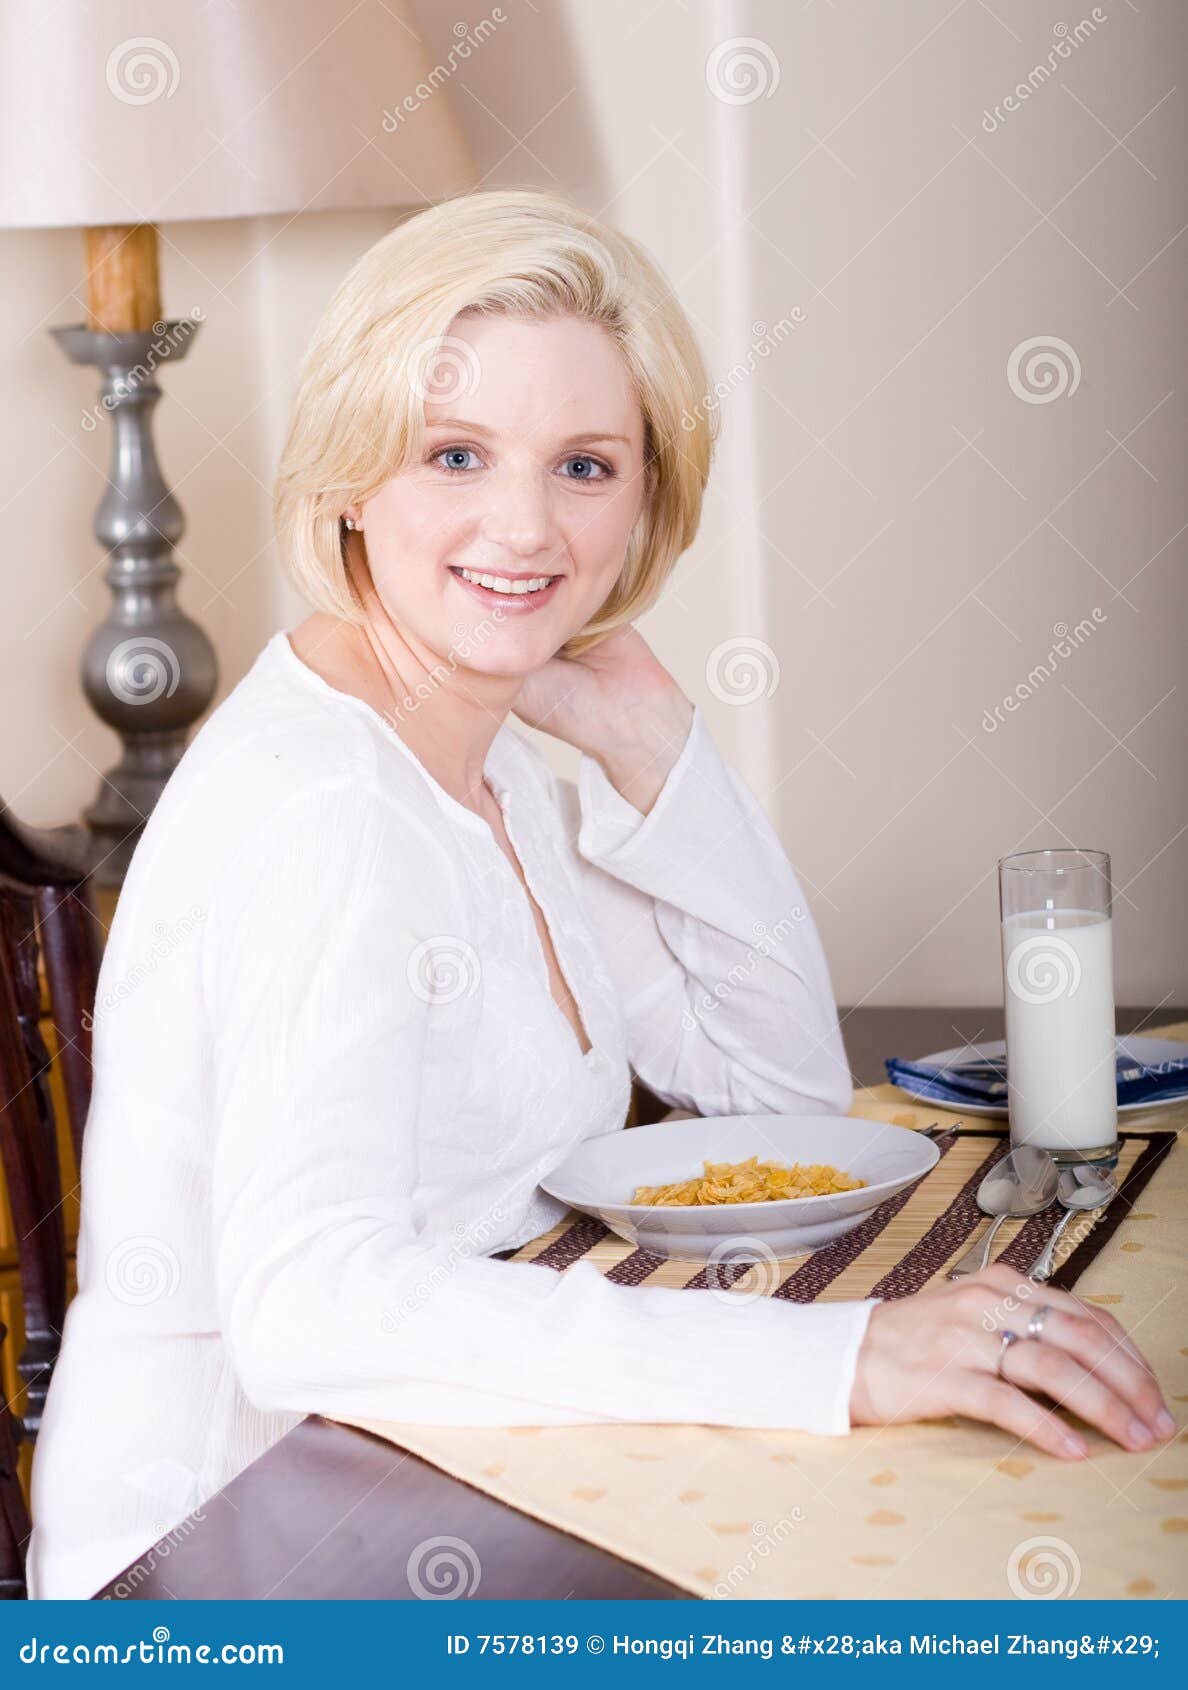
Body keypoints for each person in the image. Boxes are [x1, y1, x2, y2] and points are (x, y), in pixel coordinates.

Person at [27, 188, 1174, 1600]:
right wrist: (843, 1357)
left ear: (647, 500)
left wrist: (655, 746)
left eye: (584, 465)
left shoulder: (494, 759)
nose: (525, 524)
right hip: (223, 1552)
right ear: (349, 476)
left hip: (440, 1471)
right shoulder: (327, 806)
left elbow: (783, 1104)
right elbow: (308, 1308)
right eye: (455, 453)